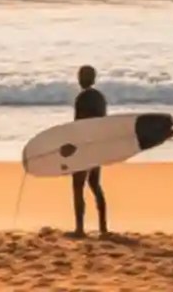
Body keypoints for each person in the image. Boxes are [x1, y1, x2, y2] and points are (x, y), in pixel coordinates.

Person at [72, 64, 108, 237]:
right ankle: (103, 227)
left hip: (85, 145)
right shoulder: (100, 98)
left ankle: (79, 228)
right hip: (98, 145)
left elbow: (79, 125)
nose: (79, 79)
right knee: (95, 184)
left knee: (78, 185)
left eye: (80, 76)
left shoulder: (82, 98)